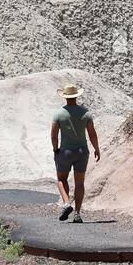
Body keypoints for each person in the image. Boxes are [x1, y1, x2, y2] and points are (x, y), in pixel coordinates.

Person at [52, 83, 100, 223]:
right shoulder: (86, 113)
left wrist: (55, 149)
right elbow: (92, 134)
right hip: (82, 151)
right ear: (77, 96)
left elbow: (54, 135)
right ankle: (77, 214)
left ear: (65, 97)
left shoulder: (59, 114)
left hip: (66, 151)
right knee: (80, 182)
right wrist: (96, 148)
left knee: (61, 179)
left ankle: (67, 204)